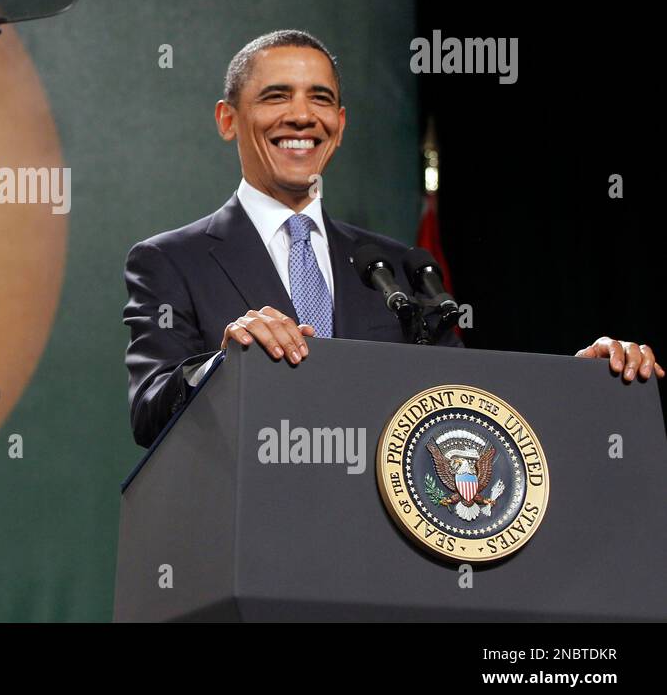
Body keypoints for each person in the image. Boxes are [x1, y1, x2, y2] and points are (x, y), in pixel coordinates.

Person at [122, 29, 661, 448]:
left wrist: (583, 384)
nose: (302, 116)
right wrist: (224, 360)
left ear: (340, 121)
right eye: (276, 96)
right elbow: (149, 411)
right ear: (228, 119)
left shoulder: (398, 268)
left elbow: (466, 406)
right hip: (250, 547)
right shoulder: (170, 260)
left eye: (321, 99)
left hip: (385, 553)